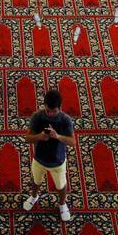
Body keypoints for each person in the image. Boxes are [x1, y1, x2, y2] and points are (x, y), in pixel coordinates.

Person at [23, 89, 76, 221]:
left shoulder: (65, 120)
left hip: (57, 162)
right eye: (48, 110)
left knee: (61, 186)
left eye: (53, 111)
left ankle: (62, 204)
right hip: (39, 159)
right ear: (44, 105)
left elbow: (72, 142)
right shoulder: (37, 116)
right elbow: (27, 138)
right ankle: (34, 196)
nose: (50, 114)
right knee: (36, 181)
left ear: (60, 108)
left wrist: (57, 136)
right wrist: (39, 137)